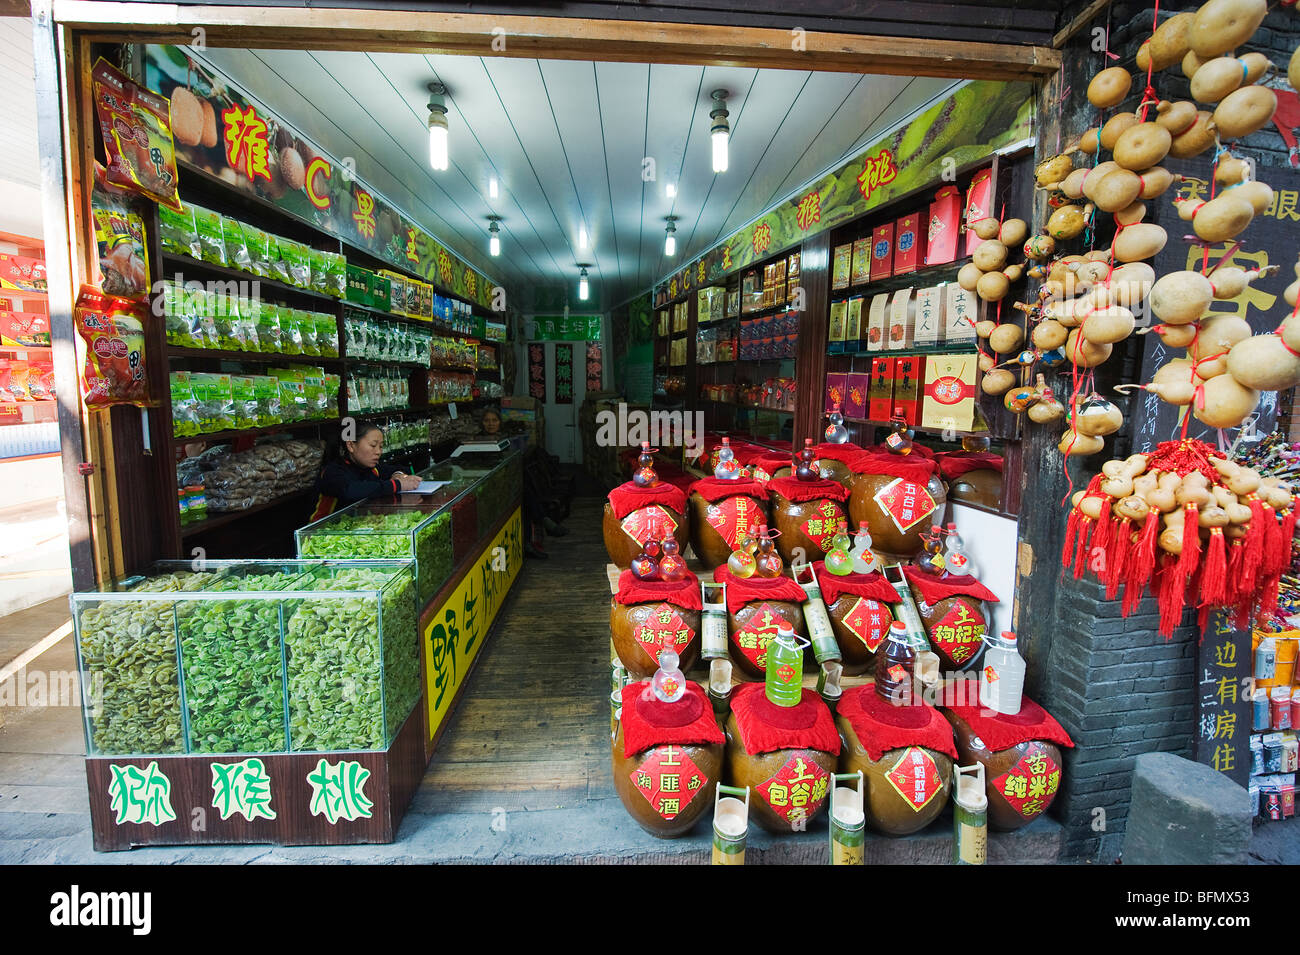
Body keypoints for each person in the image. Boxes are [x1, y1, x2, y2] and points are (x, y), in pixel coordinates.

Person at [310, 422, 421, 520]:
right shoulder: (332, 471)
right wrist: (397, 485)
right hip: (323, 533)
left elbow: (403, 469)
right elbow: (352, 491)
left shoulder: (372, 468)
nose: (378, 452)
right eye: (373, 445)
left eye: (381, 446)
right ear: (351, 445)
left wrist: (398, 475)